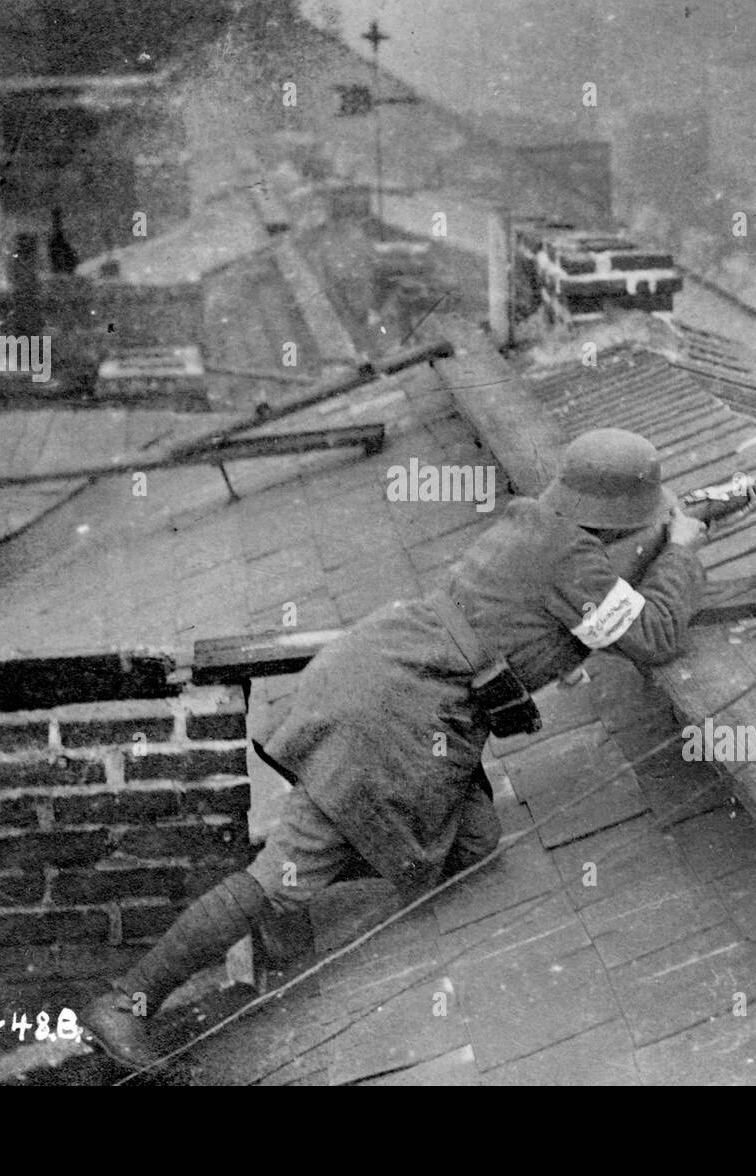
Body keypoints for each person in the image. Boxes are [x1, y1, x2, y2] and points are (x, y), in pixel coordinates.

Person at [81, 427, 708, 1067]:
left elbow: (569, 609)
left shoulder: (542, 523)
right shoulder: (575, 559)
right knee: (289, 869)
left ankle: (294, 869)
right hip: (392, 712)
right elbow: (655, 635)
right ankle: (128, 999)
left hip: (406, 685)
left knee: (473, 842)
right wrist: (681, 552)